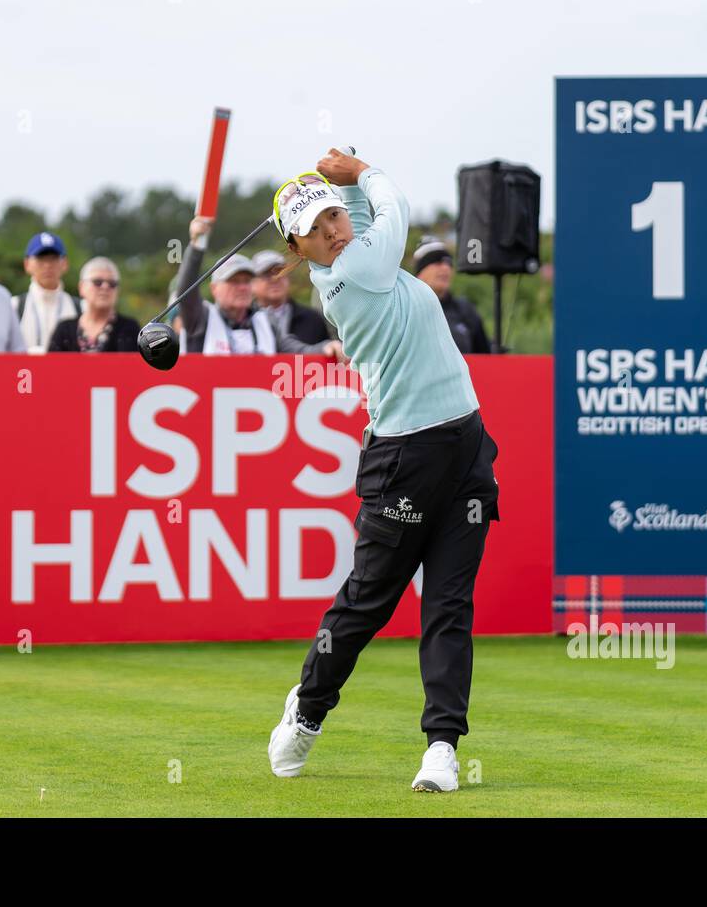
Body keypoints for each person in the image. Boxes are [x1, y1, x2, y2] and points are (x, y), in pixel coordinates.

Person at [265, 150, 500, 793]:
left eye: (336, 217)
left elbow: (369, 216)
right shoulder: (350, 278)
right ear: (300, 246)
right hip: (404, 460)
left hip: (466, 446)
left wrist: (347, 191)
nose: (335, 230)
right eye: (318, 229)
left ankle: (442, 748)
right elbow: (393, 207)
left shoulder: (360, 259)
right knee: (369, 601)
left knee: (449, 604)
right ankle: (309, 709)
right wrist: (363, 169)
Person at [175, 217, 275, 355]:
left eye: (247, 281)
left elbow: (303, 353)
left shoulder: (266, 322)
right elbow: (185, 292)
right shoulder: (201, 318)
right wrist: (196, 245)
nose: (242, 287)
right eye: (233, 281)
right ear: (214, 289)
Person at [250, 250, 344, 358]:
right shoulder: (245, 321)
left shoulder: (313, 318)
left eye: (280, 272)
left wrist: (327, 346)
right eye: (266, 275)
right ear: (252, 283)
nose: (274, 279)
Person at [412, 237, 492, 354]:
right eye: (437, 262)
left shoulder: (465, 311)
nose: (446, 268)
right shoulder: (405, 310)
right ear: (420, 272)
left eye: (449, 263)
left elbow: (485, 357)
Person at [47, 257, 140, 352]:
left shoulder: (130, 330)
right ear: (81, 287)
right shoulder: (64, 330)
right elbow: (50, 365)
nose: (105, 287)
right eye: (97, 282)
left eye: (112, 283)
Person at [13, 231, 80, 354]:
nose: (47, 265)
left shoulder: (80, 308)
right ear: (27, 264)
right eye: (40, 259)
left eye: (53, 259)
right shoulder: (13, 306)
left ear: (65, 263)